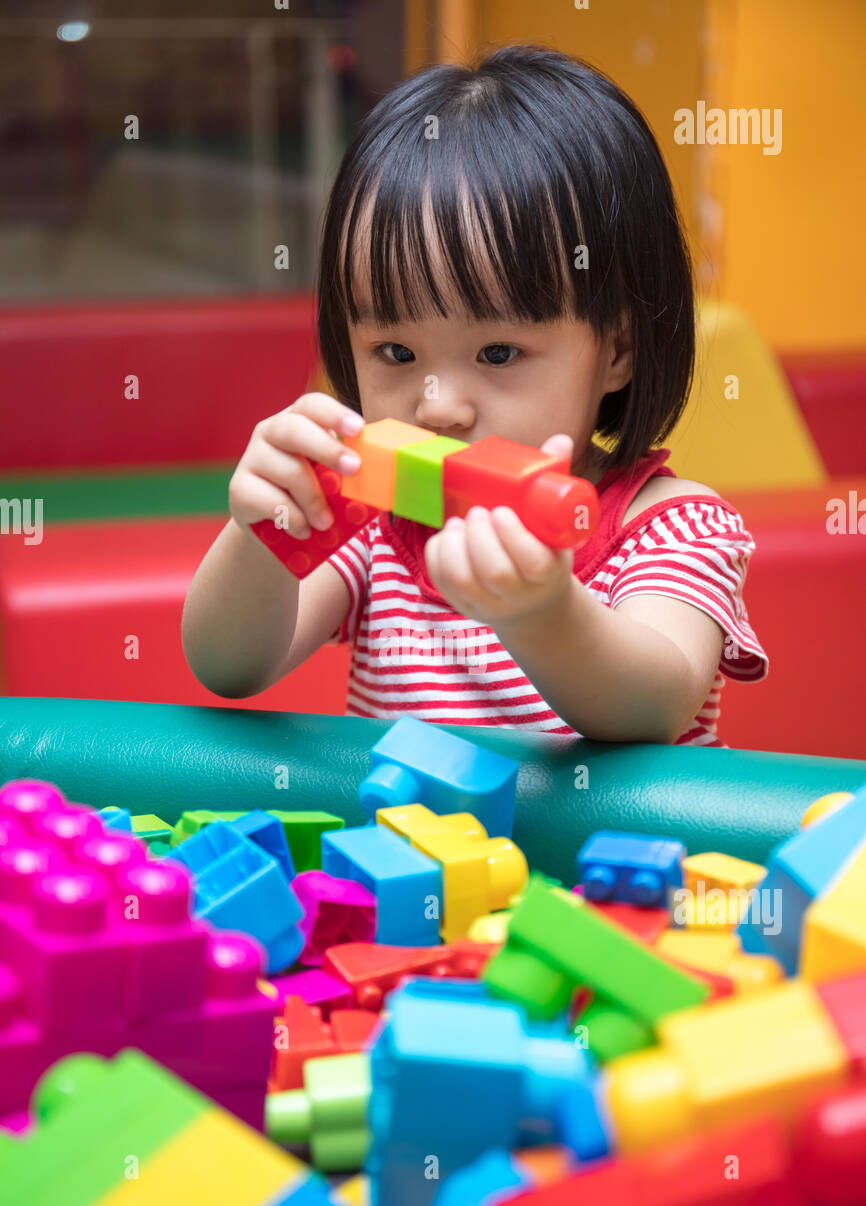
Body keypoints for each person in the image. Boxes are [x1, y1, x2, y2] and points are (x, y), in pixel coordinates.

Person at [183, 44, 768, 744]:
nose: (437, 405)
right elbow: (231, 667)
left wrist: (543, 612)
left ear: (616, 351)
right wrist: (261, 535)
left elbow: (654, 705)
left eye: (498, 353)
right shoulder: (375, 522)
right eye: (395, 352)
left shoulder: (671, 528)